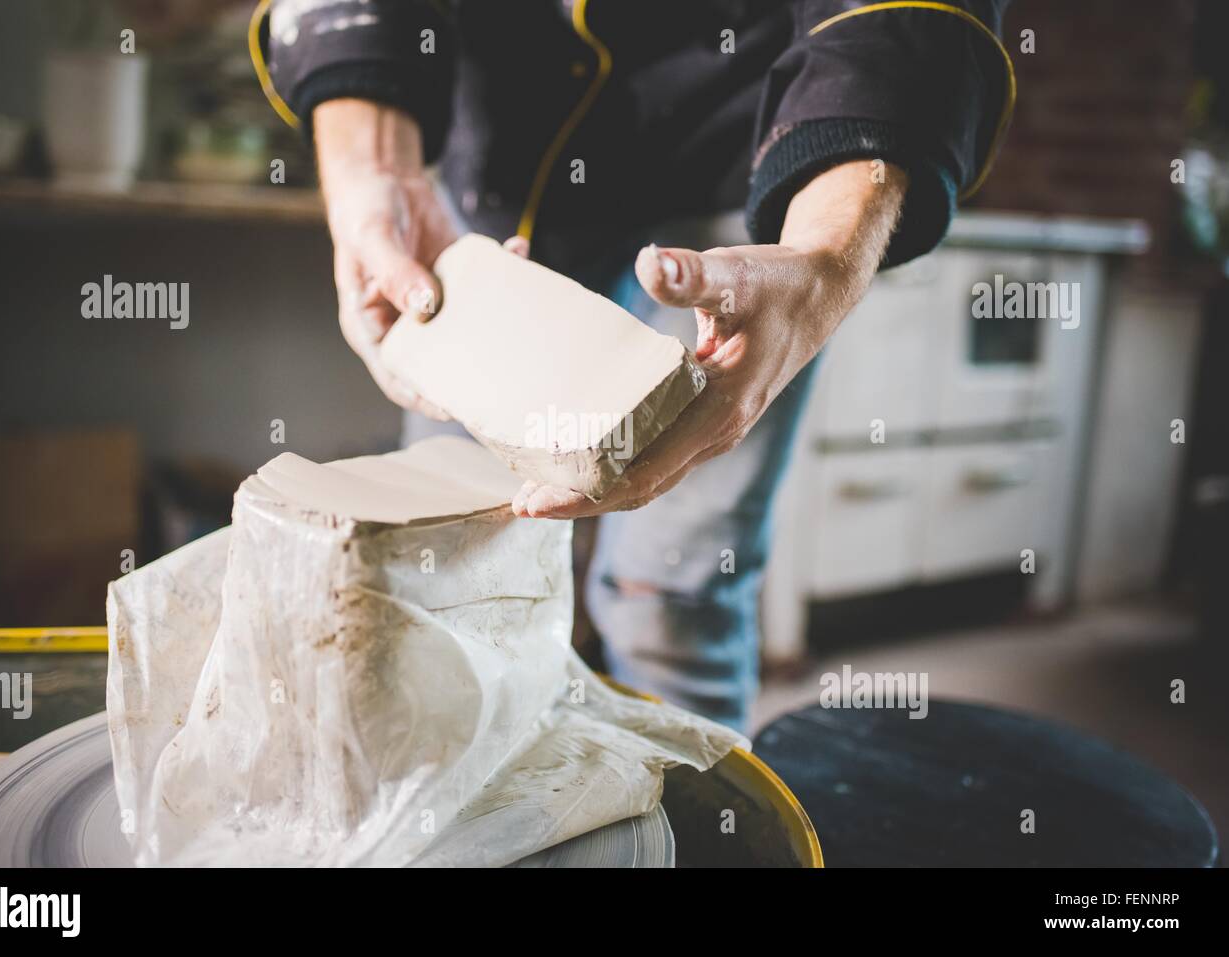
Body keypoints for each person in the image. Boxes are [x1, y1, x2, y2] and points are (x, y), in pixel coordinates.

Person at [254, 0, 1014, 730]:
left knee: (674, 589)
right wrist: (372, 171)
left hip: (742, 168)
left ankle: (693, 823)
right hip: (493, 164)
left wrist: (825, 254)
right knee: (452, 560)